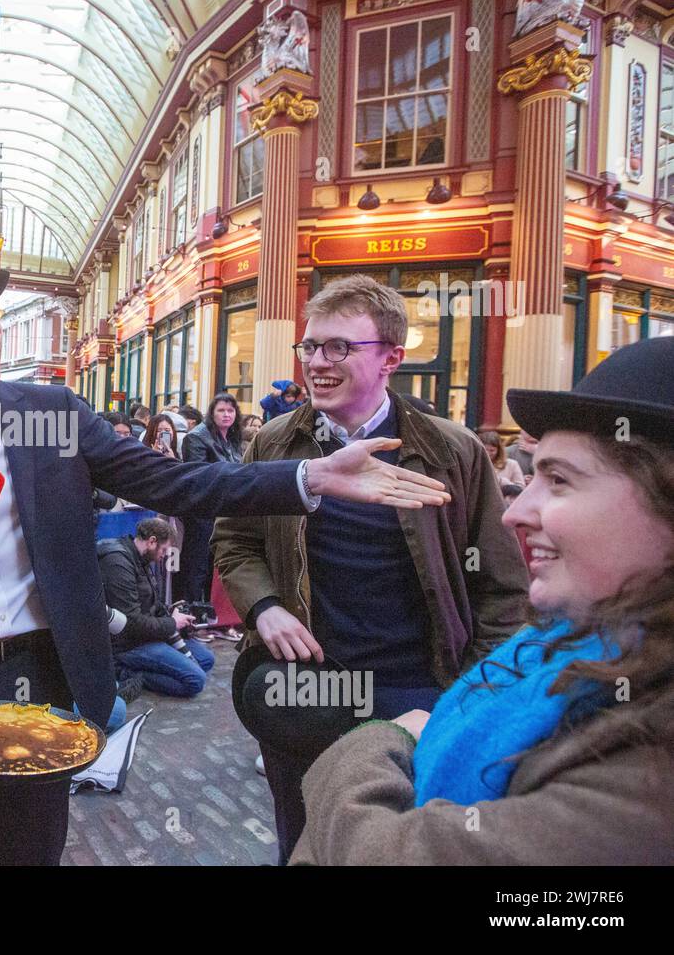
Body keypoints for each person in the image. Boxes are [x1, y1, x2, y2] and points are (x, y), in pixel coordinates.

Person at [0, 228, 448, 866]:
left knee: (34, 850)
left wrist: (308, 476)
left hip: (41, 675)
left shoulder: (48, 415)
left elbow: (178, 482)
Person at [291, 335, 674, 864]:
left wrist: (381, 742)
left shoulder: (647, 766)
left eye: (560, 480)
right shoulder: (569, 645)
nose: (517, 512)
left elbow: (379, 852)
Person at [212, 274, 528, 864]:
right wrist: (265, 606)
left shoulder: (452, 452)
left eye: (339, 347)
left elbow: (502, 589)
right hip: (309, 686)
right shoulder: (276, 443)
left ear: (392, 359)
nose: (318, 363)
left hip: (419, 686)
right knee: (304, 838)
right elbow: (235, 540)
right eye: (310, 347)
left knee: (402, 848)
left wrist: (473, 696)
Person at [98, 518, 215, 698]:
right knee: (195, 680)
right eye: (164, 550)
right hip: (128, 644)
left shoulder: (141, 558)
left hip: (149, 633)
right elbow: (131, 623)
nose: (165, 555)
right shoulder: (118, 564)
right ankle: (128, 672)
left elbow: (150, 603)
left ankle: (159, 668)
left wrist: (172, 611)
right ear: (152, 541)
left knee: (207, 660)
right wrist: (172, 623)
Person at [179, 394, 246, 603]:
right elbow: (200, 476)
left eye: (230, 410)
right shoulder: (197, 437)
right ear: (211, 413)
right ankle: (192, 615)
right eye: (221, 410)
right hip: (203, 513)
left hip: (225, 511)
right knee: (198, 567)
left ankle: (212, 615)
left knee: (216, 568)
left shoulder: (232, 438)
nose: (227, 415)